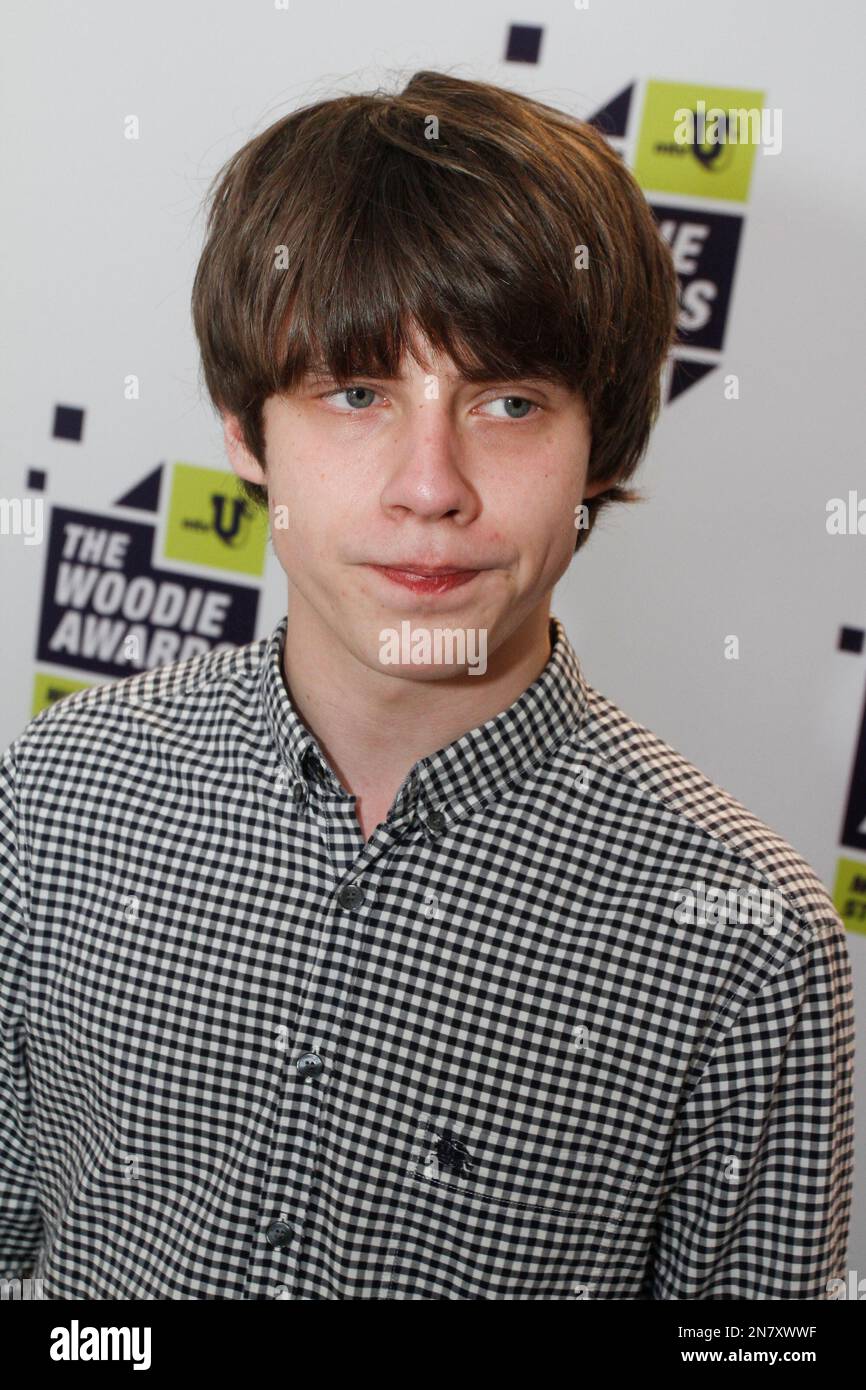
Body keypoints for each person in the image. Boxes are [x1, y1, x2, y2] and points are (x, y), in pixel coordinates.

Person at [0, 70, 854, 1300]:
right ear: (246, 431)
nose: (429, 485)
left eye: (507, 402)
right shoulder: (58, 796)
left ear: (600, 448)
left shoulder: (749, 942)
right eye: (355, 394)